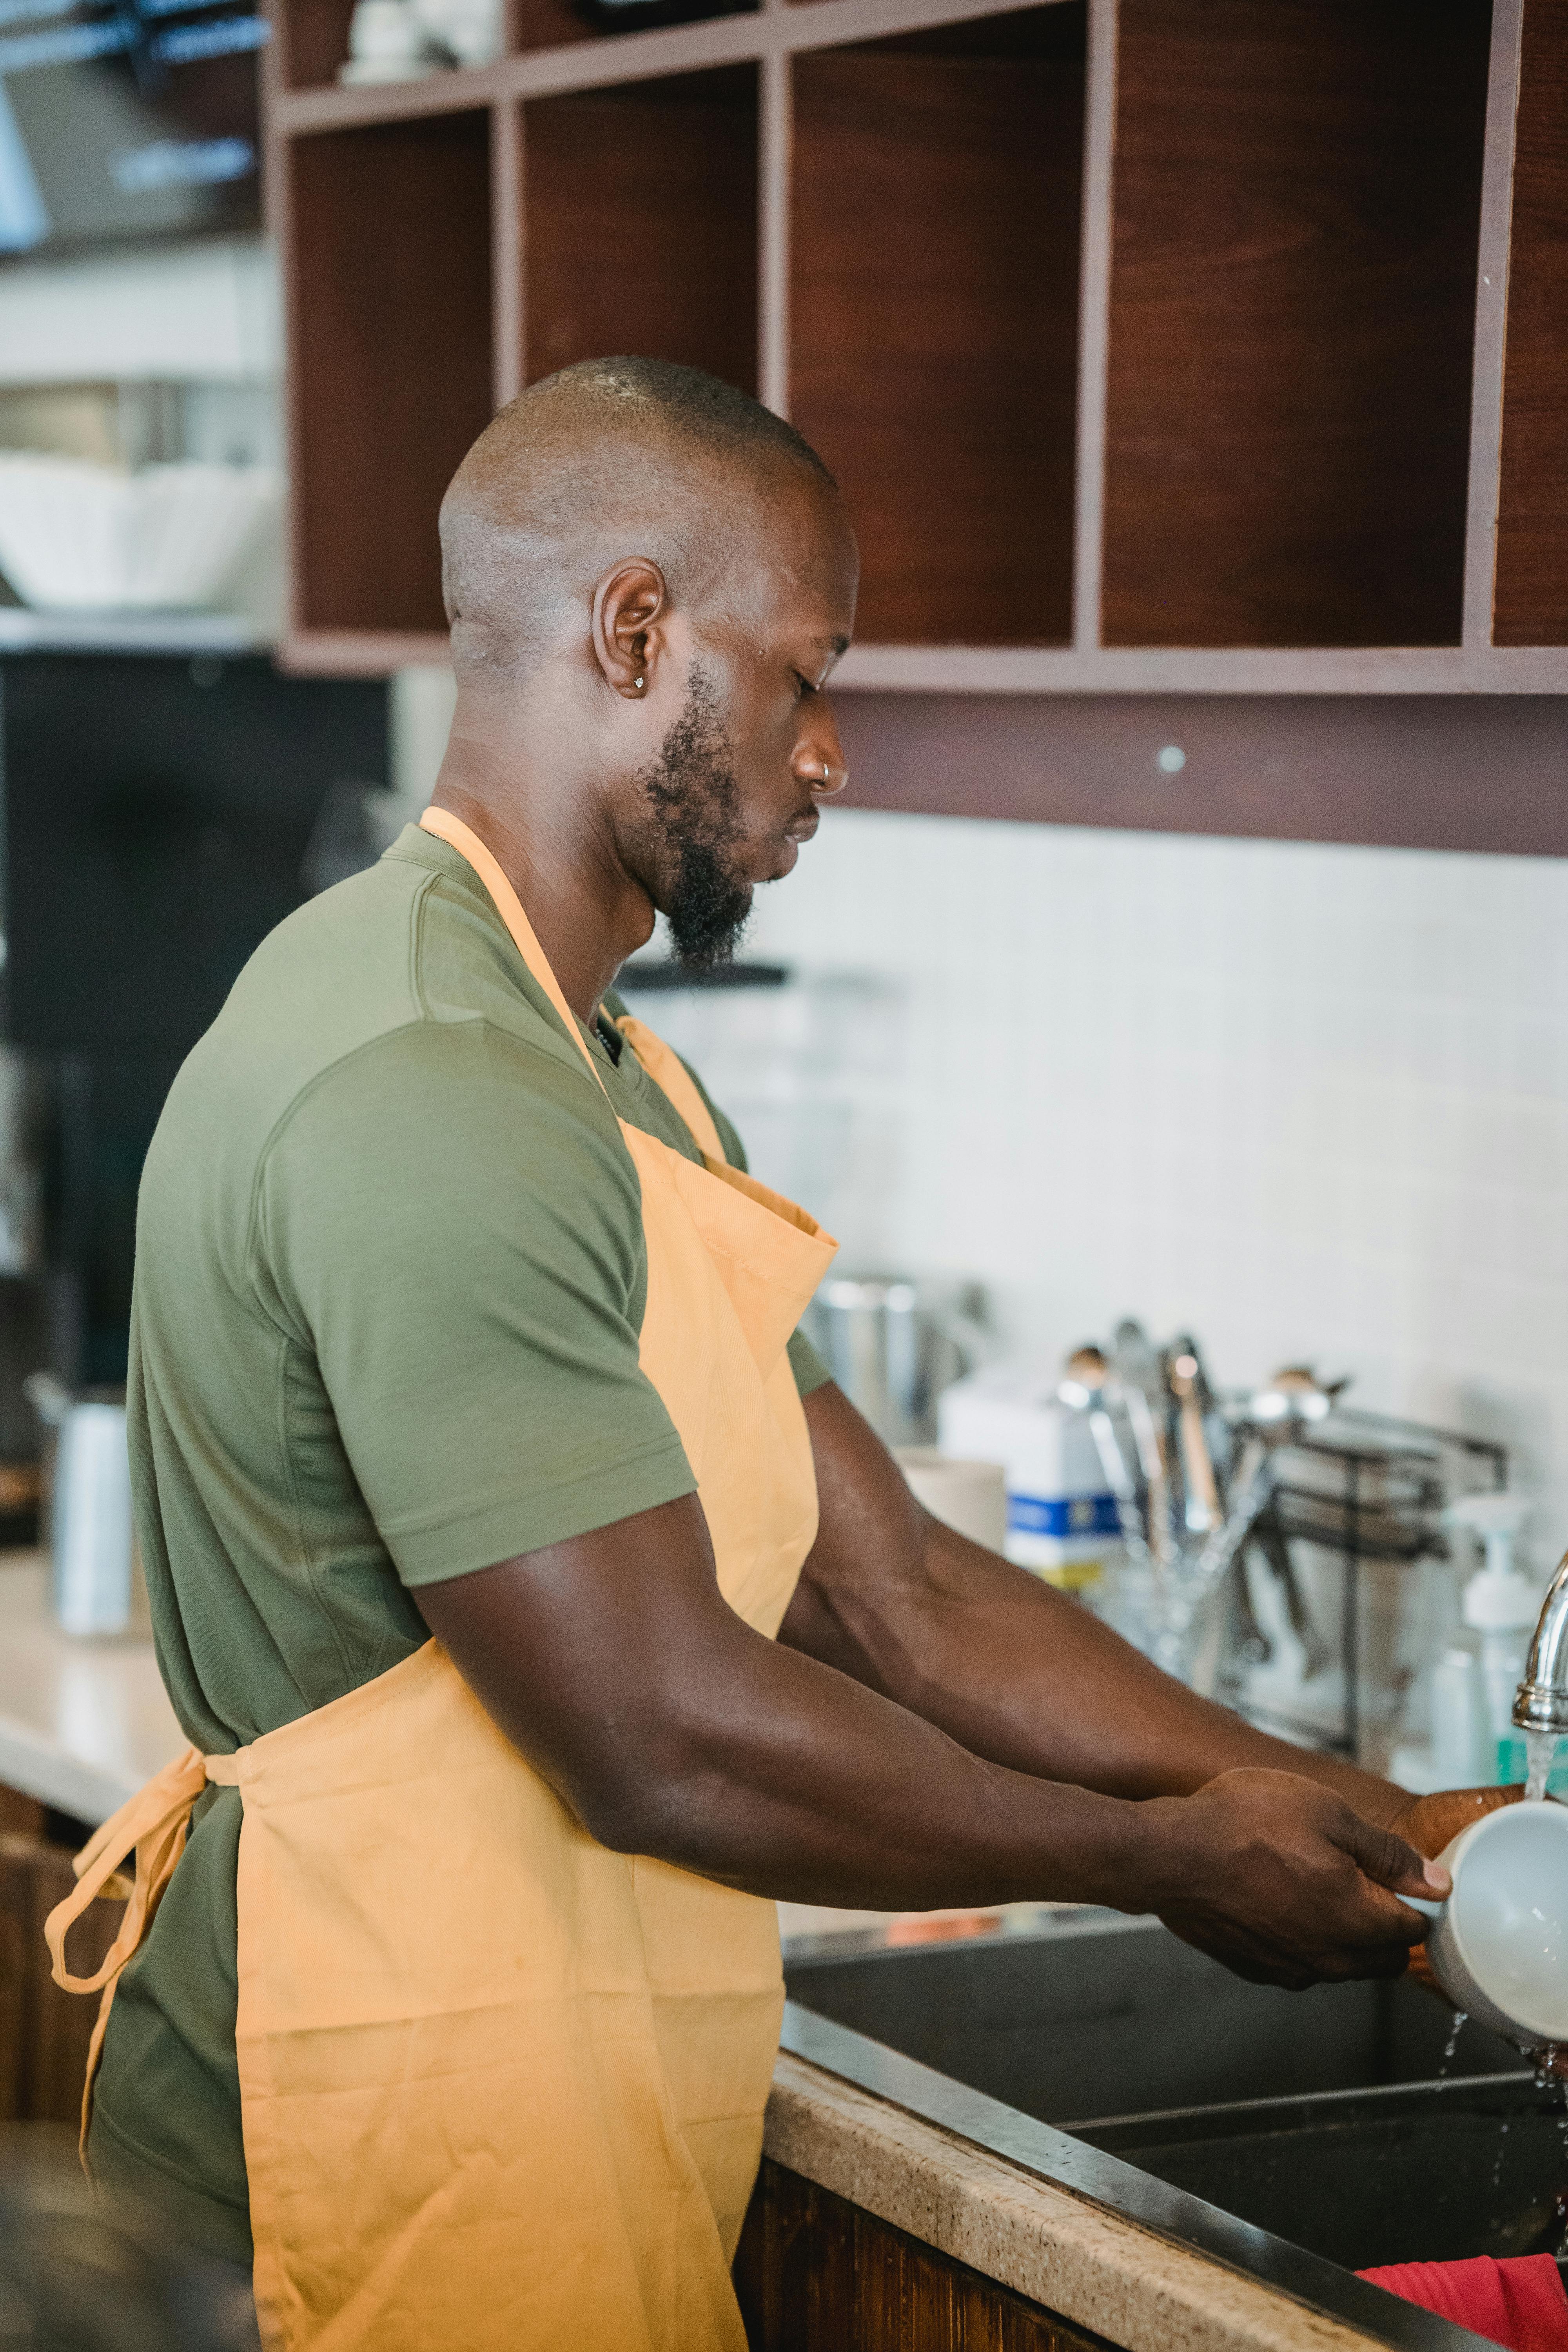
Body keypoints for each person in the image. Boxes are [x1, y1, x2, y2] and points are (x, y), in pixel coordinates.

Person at [49, 357, 1501, 2352]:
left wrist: (1354, 1804)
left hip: (535, 2113)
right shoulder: (433, 1086)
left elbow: (885, 1586)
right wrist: (1153, 1862)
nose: (834, 753)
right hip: (359, 2161)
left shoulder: (606, 1076)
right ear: (635, 631)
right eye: (806, 676)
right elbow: (662, 1731)